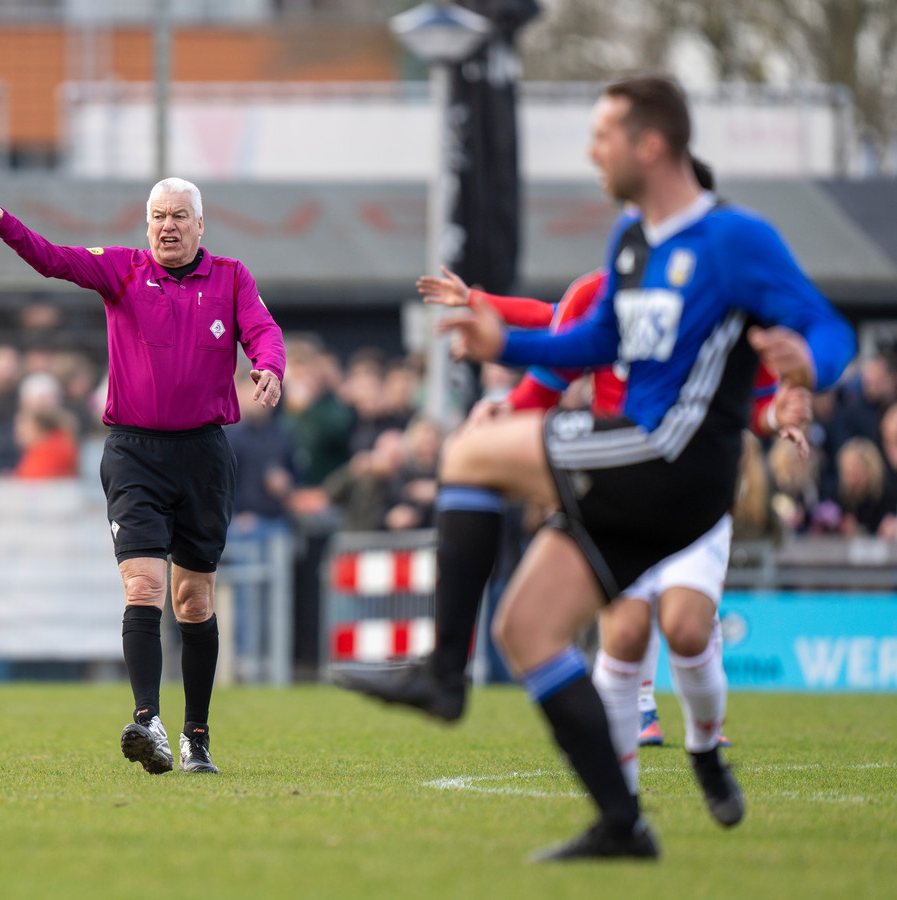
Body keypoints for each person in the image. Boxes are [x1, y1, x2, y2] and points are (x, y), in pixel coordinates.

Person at [339, 75, 854, 860]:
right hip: (636, 455)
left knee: (472, 451)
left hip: (679, 460)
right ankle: (622, 824)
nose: (590, 152)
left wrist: (806, 366)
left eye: (602, 136)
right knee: (526, 629)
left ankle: (444, 674)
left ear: (651, 145)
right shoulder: (630, 243)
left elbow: (829, 329)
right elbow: (591, 343)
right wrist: (501, 344)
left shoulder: (732, 239)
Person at [0, 176, 284, 775]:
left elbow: (262, 330)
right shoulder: (123, 271)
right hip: (134, 454)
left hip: (204, 454)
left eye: (180, 216)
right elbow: (52, 259)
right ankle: (148, 721)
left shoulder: (231, 277)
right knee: (145, 588)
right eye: (158, 216)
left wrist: (268, 366)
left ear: (200, 225)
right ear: (146, 223)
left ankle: (196, 736)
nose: (168, 227)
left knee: (194, 596)